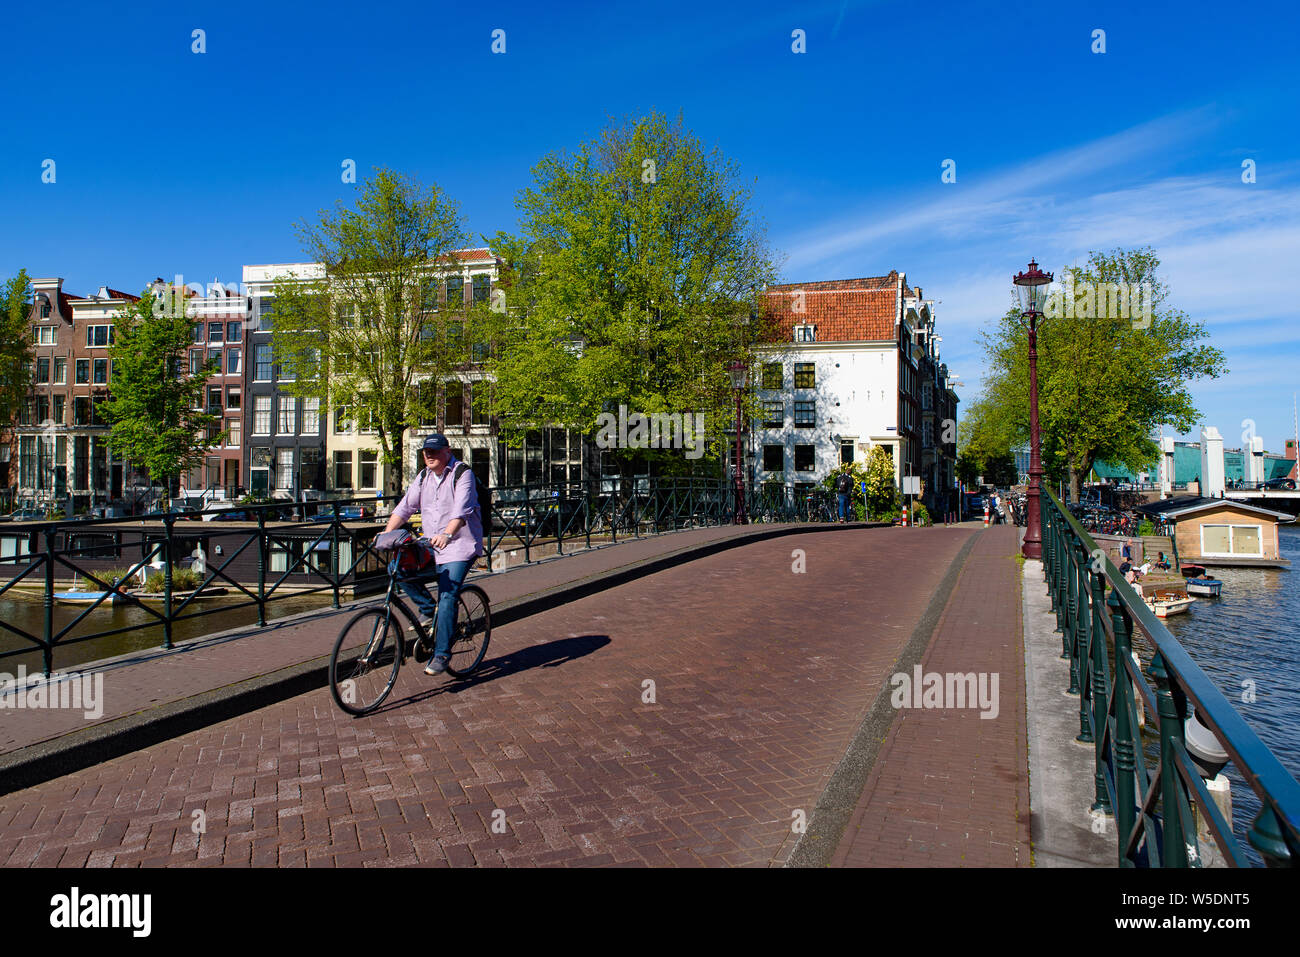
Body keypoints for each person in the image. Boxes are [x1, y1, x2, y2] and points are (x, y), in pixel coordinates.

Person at [381, 434, 485, 676]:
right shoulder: (423, 476)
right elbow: (405, 507)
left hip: (459, 544)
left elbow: (461, 511)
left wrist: (448, 534)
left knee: (448, 595)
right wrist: (386, 534)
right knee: (398, 570)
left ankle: (442, 655)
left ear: (447, 451)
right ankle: (428, 609)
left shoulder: (462, 474)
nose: (429, 455)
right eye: (426, 451)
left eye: (435, 451)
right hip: (431, 544)